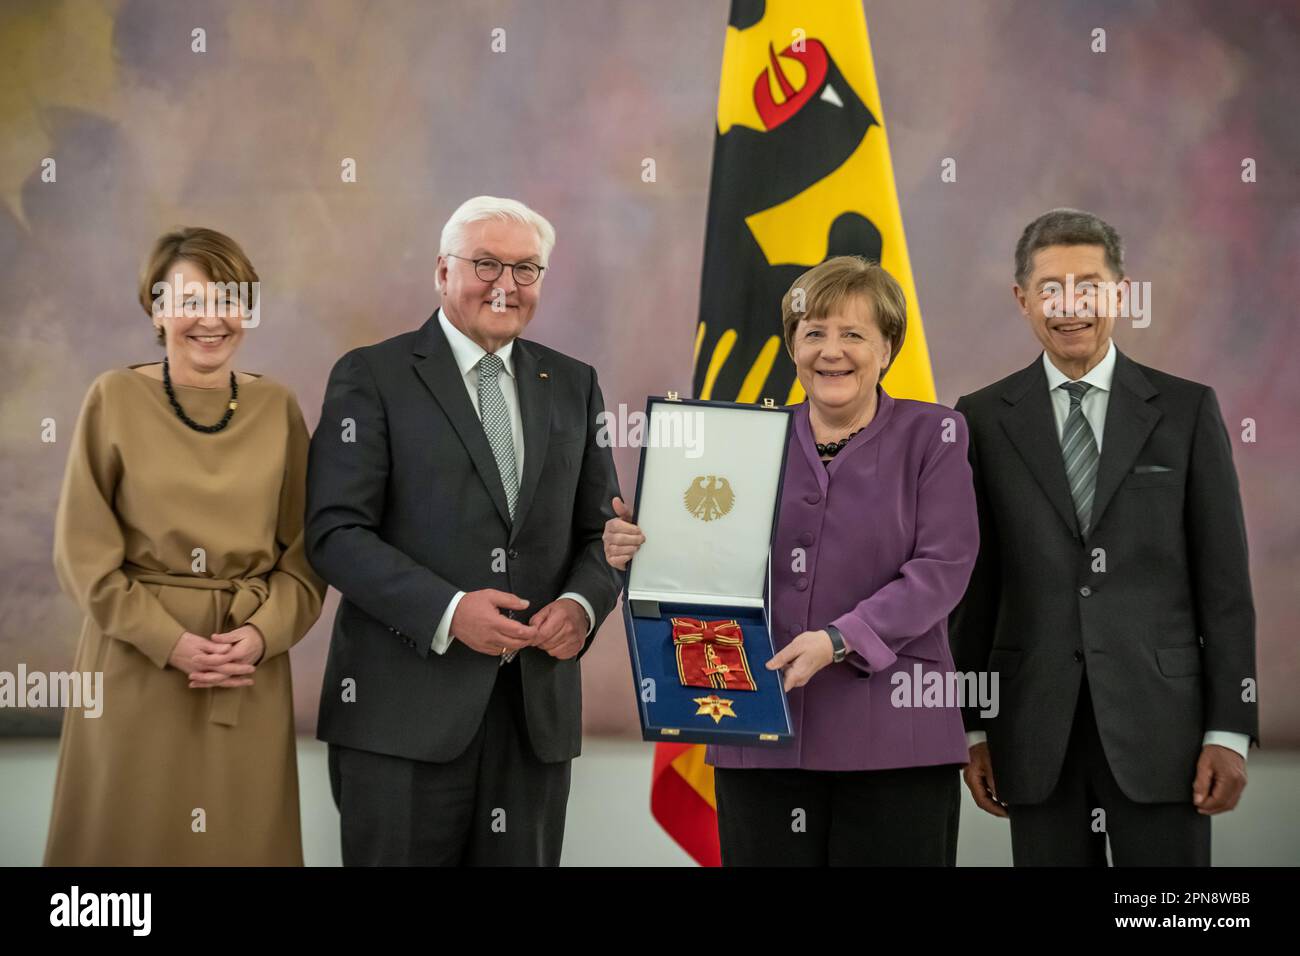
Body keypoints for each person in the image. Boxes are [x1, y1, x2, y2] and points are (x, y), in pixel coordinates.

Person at [604, 256, 979, 865]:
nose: (832, 351)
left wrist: (838, 639)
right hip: (757, 726)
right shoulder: (740, 440)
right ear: (792, 347)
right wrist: (638, 553)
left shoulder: (934, 433)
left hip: (895, 738)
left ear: (888, 348)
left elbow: (944, 568)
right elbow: (701, 561)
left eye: (854, 334)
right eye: (814, 333)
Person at [307, 196, 622, 866]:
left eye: (525, 269)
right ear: (442, 271)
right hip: (402, 721)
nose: (505, 285)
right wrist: (449, 613)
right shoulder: (372, 377)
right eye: (486, 264)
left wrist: (582, 604)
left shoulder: (573, 384)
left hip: (532, 720)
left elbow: (606, 534)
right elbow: (336, 533)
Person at [949, 208, 1257, 866]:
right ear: (1022, 299)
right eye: (1051, 287)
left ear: (1119, 292)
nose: (1070, 306)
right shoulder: (980, 420)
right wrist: (972, 725)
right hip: (1033, 735)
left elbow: (1225, 587)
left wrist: (1229, 728)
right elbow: (975, 590)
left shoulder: (1186, 412)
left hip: (1165, 734)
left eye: (1088, 285)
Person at [45, 227, 325, 865]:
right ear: (156, 307)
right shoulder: (112, 398)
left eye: (228, 300)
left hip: (242, 670)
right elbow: (82, 553)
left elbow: (305, 557)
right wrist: (169, 643)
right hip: (134, 664)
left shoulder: (278, 407)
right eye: (190, 300)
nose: (211, 319)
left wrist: (258, 635)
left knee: (240, 840)